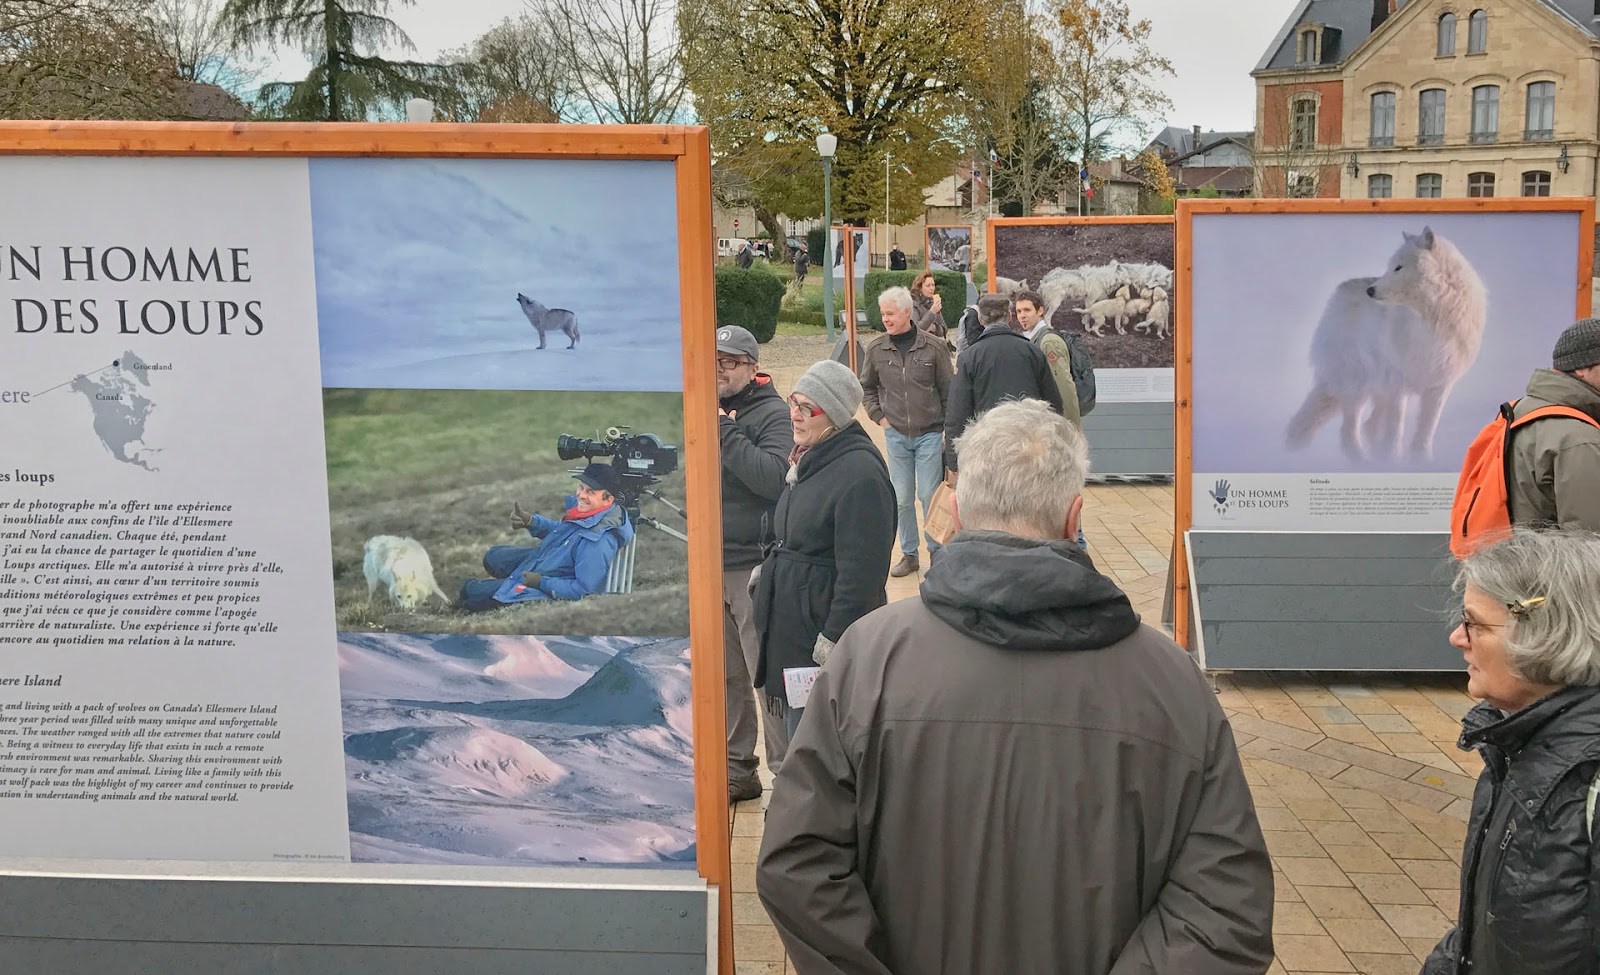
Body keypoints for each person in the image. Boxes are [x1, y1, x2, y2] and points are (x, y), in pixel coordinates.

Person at [758, 399, 1275, 975]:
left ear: (955, 511)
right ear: (1074, 519)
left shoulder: (867, 659)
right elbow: (1223, 909)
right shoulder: (1172, 684)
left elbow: (798, 863)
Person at [1423, 529, 1600, 975]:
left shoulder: (1585, 776)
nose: (1457, 638)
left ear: (1547, 634)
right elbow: (1482, 933)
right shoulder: (1513, 742)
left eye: (1475, 624)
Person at [752, 359, 894, 749]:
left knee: (816, 751)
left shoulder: (860, 475)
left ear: (833, 413)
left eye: (806, 408)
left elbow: (862, 577)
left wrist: (832, 642)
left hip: (819, 648)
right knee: (797, 746)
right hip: (794, 634)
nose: (794, 415)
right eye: (793, 402)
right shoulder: (810, 458)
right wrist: (768, 573)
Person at [716, 325, 794, 803]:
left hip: (752, 567)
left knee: (764, 673)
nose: (719, 371)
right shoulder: (701, 408)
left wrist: (725, 431)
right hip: (709, 563)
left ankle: (786, 776)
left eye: (728, 362)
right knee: (725, 676)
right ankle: (737, 768)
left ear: (752, 367)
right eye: (713, 361)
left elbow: (774, 478)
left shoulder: (774, 414)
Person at [861, 286, 954, 578]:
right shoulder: (876, 349)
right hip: (896, 435)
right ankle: (909, 554)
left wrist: (946, 430)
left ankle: (936, 552)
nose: (885, 319)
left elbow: (949, 391)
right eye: (883, 314)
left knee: (928, 494)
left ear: (906, 312)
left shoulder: (934, 347)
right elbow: (866, 387)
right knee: (901, 498)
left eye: (890, 313)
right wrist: (879, 418)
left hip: (930, 434)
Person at [459, 463, 634, 610]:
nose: (581, 495)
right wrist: (532, 522)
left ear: (608, 499)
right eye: (581, 487)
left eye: (590, 492)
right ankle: (508, 581)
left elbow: (583, 590)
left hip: (549, 581)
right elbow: (564, 532)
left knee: (469, 591)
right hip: (554, 562)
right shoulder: (595, 514)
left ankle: (508, 585)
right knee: (493, 556)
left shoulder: (597, 541)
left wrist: (541, 582)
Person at [943, 293, 1063, 474]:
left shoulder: (969, 357)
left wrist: (954, 460)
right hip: (1028, 448)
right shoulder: (1032, 351)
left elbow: (958, 410)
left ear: (981, 320)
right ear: (1010, 316)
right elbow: (1053, 404)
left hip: (987, 450)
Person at [1506, 318, 1600, 531]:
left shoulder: (1522, 410)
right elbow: (1590, 538)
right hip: (1556, 553)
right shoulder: (1579, 439)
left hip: (1516, 550)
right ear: (1582, 368)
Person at [1014, 288, 1080, 426]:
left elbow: (1063, 386)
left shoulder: (1048, 342)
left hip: (1054, 422)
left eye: (1027, 310)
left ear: (1040, 311)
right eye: (1019, 311)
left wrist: (1072, 424)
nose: (1022, 316)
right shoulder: (1033, 339)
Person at [909, 269, 946, 337]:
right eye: (928, 286)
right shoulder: (914, 304)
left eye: (933, 285)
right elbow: (916, 329)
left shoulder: (932, 302)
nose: (932, 288)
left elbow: (944, 330)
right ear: (920, 288)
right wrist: (932, 312)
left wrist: (934, 327)